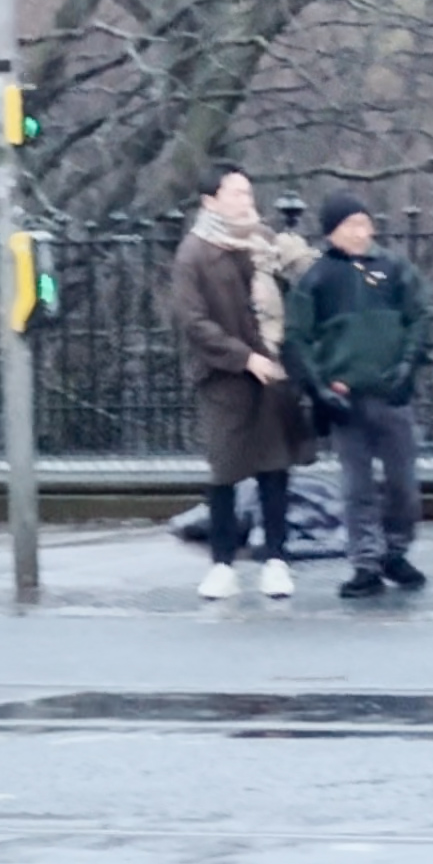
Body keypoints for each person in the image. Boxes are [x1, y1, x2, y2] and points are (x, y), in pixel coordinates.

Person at [171, 163, 319, 600]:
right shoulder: (194, 253)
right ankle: (222, 564)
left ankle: (276, 559)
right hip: (225, 378)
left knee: (276, 469)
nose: (246, 200)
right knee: (225, 472)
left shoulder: (265, 242)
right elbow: (193, 321)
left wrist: (302, 261)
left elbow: (305, 287)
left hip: (275, 371)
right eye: (235, 192)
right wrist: (243, 357)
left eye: (248, 191)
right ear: (210, 200)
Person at [283, 192, 433, 599]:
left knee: (403, 481)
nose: (363, 231)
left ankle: (396, 550)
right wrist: (317, 387)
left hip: (390, 393)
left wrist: (408, 366)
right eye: (352, 224)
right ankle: (365, 560)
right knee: (357, 484)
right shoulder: (317, 279)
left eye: (365, 223)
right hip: (345, 395)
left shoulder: (394, 269)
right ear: (333, 231)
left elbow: (419, 317)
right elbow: (298, 338)